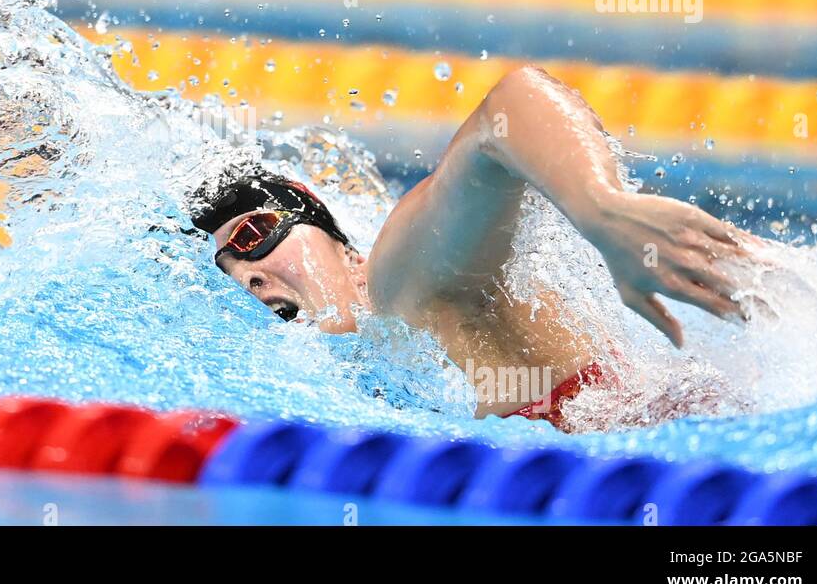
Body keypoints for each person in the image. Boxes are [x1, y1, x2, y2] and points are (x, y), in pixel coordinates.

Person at [189, 65, 767, 429]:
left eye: (251, 237)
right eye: (229, 273)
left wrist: (602, 208)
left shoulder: (400, 281)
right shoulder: (369, 364)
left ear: (342, 246)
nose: (249, 279)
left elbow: (510, 105)